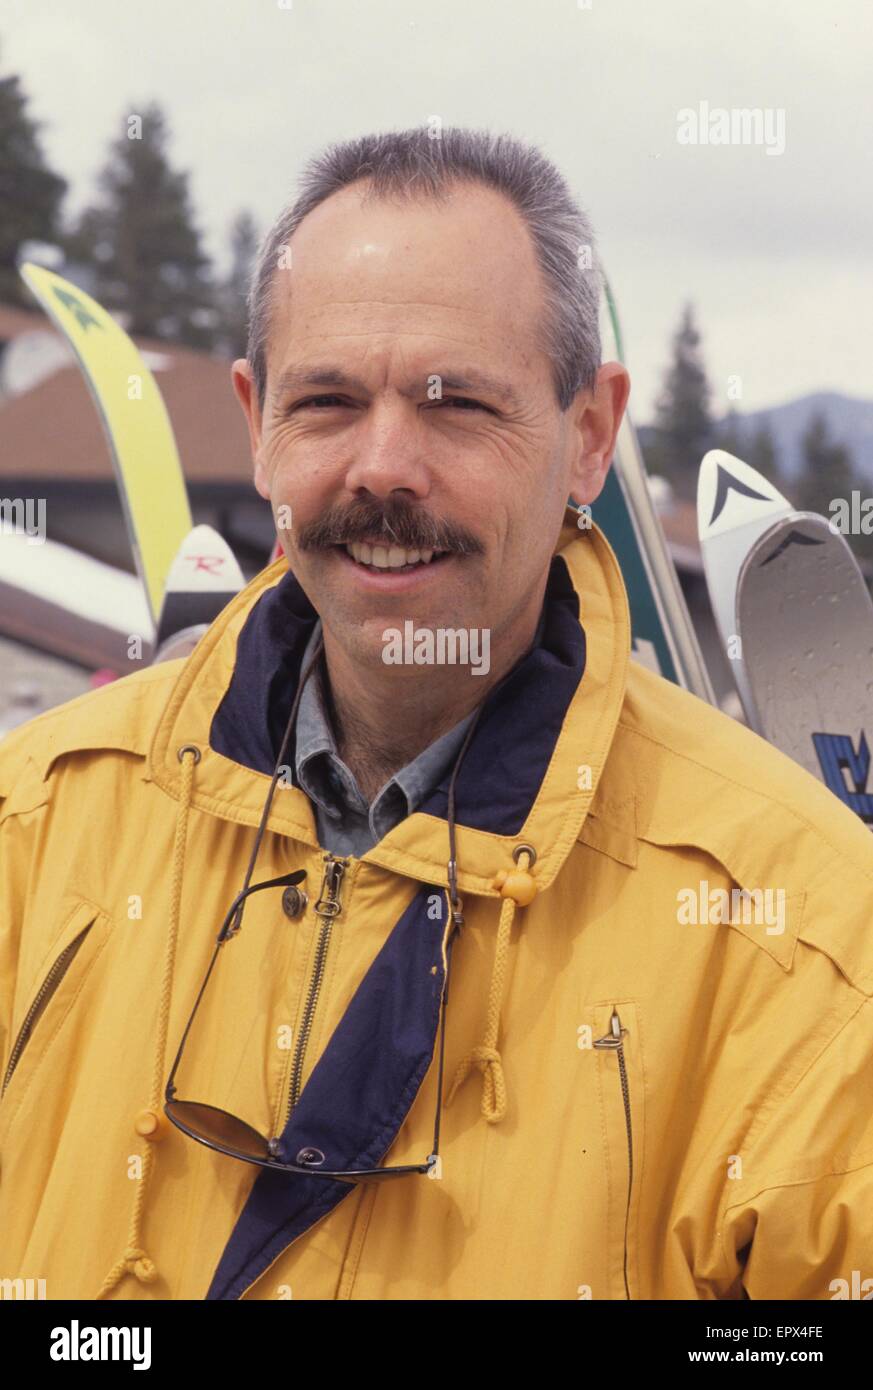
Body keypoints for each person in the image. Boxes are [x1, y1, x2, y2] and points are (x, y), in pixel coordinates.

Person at [1, 126, 871, 1302]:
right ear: (256, 423)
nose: (384, 467)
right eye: (327, 400)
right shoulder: (38, 824)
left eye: (457, 404)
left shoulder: (806, 937)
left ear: (591, 435)